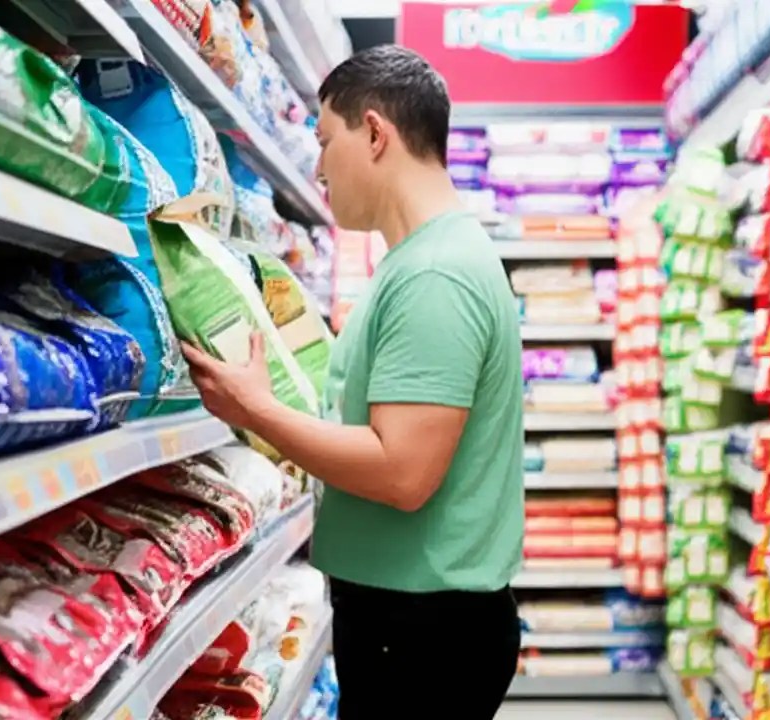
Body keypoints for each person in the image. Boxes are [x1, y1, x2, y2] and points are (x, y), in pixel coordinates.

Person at [180, 44, 524, 718]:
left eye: (325, 140)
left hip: (422, 633)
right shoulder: (422, 260)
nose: (317, 167)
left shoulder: (436, 275)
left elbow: (403, 472)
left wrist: (258, 410)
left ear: (374, 133)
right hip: (418, 621)